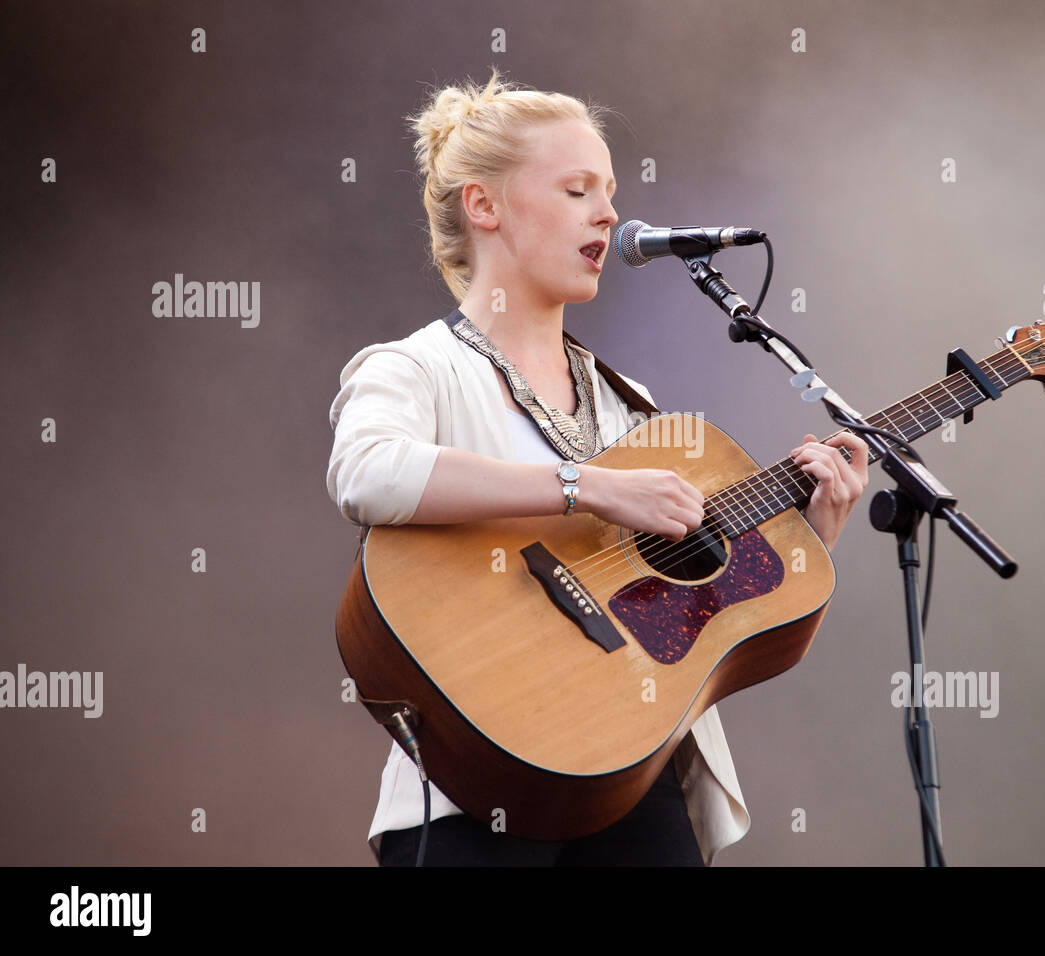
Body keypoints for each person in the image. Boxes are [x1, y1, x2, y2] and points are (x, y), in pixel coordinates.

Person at [326, 68, 869, 866]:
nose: (611, 214)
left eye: (609, 191)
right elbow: (367, 472)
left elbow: (683, 608)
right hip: (474, 777)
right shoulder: (416, 368)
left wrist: (807, 535)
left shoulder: (629, 403)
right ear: (485, 206)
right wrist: (587, 486)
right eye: (579, 189)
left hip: (632, 775)